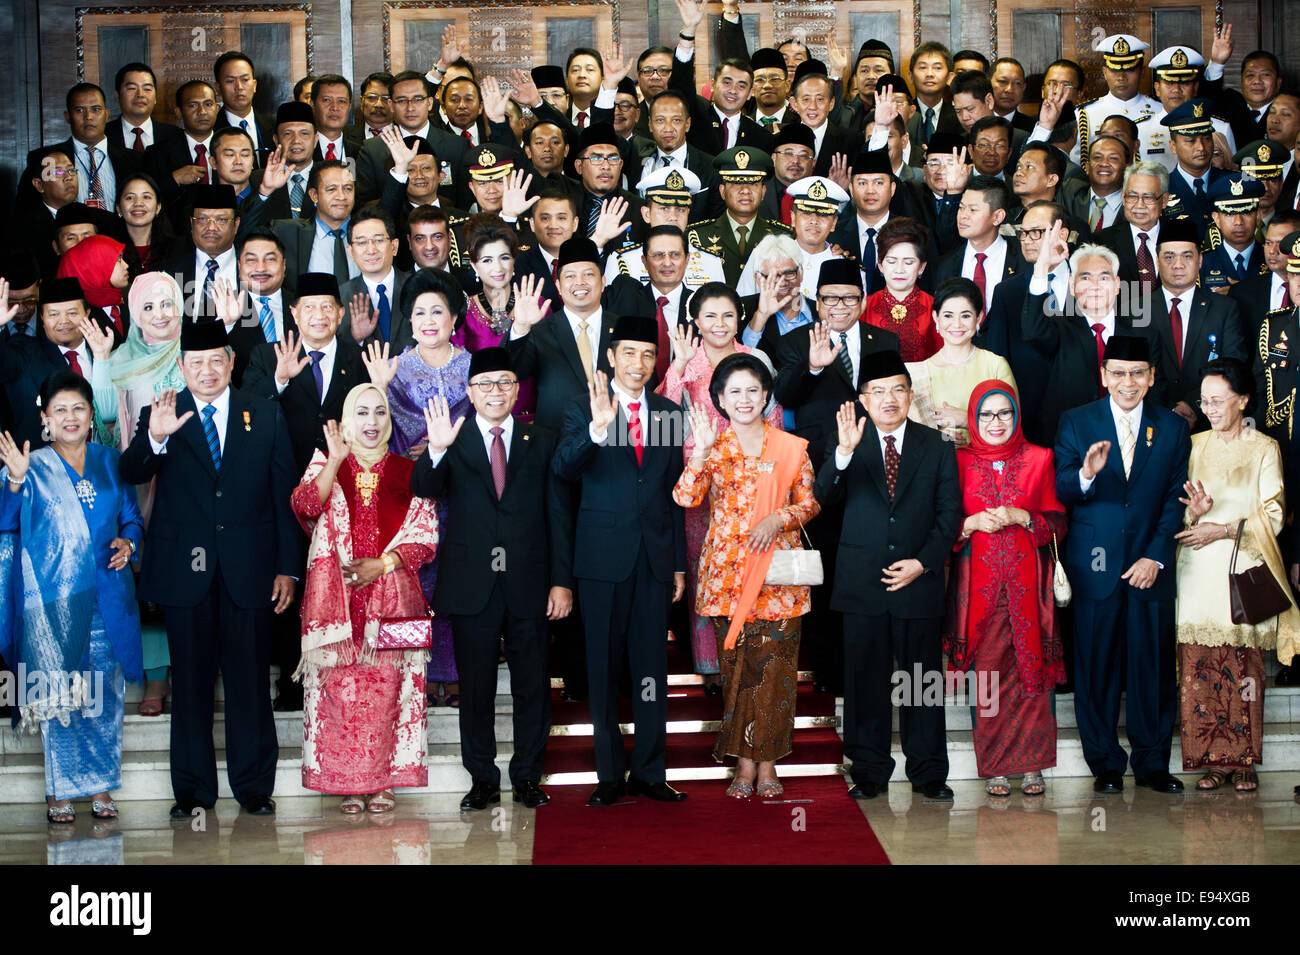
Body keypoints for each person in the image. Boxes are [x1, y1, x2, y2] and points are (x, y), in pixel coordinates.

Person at [119, 320, 300, 818]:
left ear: (231, 364)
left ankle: (254, 787)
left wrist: (288, 568)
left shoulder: (262, 414)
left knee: (249, 684)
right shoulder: (164, 413)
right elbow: (131, 471)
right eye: (195, 363)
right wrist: (154, 439)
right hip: (185, 571)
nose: (206, 370)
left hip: (251, 570)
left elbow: (282, 497)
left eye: (215, 361)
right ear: (181, 368)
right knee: (192, 687)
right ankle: (193, 793)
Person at [412, 347, 575, 811]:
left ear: (517, 389)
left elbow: (558, 516)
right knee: (476, 689)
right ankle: (481, 777)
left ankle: (527, 775)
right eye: (485, 384)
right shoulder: (453, 439)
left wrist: (561, 581)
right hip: (471, 585)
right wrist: (438, 447)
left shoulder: (540, 440)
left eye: (505, 382)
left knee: (532, 687)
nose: (495, 391)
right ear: (469, 392)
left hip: (531, 583)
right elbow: (424, 488)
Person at [552, 314, 688, 807]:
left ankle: (651, 771)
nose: (638, 363)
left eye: (648, 354)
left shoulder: (670, 413)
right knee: (603, 668)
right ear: (610, 358)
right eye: (628, 353)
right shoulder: (582, 408)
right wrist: (596, 428)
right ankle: (609, 774)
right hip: (601, 561)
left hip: (653, 561)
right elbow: (562, 469)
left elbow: (674, 493)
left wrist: (676, 563)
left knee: (651, 669)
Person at [815, 349, 962, 800]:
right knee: (865, 684)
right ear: (863, 399)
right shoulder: (845, 441)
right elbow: (823, 498)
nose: (889, 399)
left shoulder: (936, 445)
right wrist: (841, 453)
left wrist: (923, 562)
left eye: (898, 389)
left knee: (922, 682)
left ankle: (929, 772)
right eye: (877, 391)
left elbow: (949, 513)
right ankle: (870, 771)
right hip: (862, 583)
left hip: (919, 581)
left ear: (910, 393)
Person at [672, 352, 819, 797]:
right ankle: (742, 764)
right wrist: (696, 455)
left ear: (766, 395)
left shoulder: (791, 446)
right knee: (737, 672)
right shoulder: (713, 449)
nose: (744, 398)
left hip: (777, 579)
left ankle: (769, 764)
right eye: (734, 391)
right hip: (728, 580)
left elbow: (810, 503)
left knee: (774, 673)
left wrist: (778, 519)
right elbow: (684, 497)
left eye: (753, 389)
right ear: (719, 398)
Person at [0, 372, 143, 822]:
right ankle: (58, 792)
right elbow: (6, 523)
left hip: (107, 595)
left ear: (89, 415)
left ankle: (101, 787)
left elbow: (131, 517)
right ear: (45, 417)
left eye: (78, 408)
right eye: (59, 410)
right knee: (60, 697)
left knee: (104, 693)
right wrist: (16, 483)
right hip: (54, 605)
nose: (70, 417)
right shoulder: (31, 464)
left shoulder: (109, 460)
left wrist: (129, 543)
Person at [289, 383, 437, 812]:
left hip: (394, 601)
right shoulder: (327, 463)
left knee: (392, 691)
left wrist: (384, 564)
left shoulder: (408, 470)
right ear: (347, 420)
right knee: (341, 691)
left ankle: (384, 781)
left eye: (378, 413)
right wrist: (335, 462)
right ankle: (347, 782)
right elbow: (303, 507)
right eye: (362, 413)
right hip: (336, 603)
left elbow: (426, 538)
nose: (371, 422)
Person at [1054, 335, 1191, 795]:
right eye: (1117, 372)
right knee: (1096, 666)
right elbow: (1064, 492)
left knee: (1151, 664)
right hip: (1095, 565)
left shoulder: (1171, 427)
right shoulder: (1076, 422)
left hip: (1150, 563)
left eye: (1137, 373)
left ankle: (1153, 762)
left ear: (1151, 378)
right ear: (1103, 375)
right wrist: (1088, 473)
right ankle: (1105, 763)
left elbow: (1176, 497)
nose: (1127, 382)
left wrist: (1155, 555)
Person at [1173, 359, 1297, 791]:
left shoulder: (1264, 448)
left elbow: (1275, 514)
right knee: (1200, 667)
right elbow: (1179, 507)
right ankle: (1212, 760)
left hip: (1241, 570)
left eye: (1218, 401)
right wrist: (1195, 512)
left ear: (1243, 400)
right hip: (1195, 572)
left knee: (1242, 668)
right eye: (1204, 400)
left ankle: (1243, 761)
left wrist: (1222, 528)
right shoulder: (1193, 445)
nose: (1209, 408)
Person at [658, 284, 784, 690]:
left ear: (739, 319)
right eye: (709, 316)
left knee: (748, 567)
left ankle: (747, 652)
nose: (719, 324)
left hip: (748, 481)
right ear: (695, 320)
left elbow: (773, 416)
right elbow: (661, 417)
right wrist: (676, 367)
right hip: (700, 478)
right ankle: (710, 663)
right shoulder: (687, 362)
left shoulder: (751, 360)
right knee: (703, 571)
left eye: (727, 315)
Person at [944, 381, 1067, 796]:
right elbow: (943, 522)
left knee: (1033, 674)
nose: (996, 422)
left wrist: (1024, 516)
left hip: (1029, 588)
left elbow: (1058, 521)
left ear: (1016, 416)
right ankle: (995, 767)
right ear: (974, 419)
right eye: (986, 415)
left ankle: (1033, 767)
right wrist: (971, 524)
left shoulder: (1039, 458)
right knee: (989, 676)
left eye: (1004, 414)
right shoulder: (958, 461)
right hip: (978, 590)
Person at [364, 267, 467, 705]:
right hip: (408, 496)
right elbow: (373, 432)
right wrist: (379, 390)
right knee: (413, 585)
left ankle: (454, 671)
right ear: (409, 320)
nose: (428, 320)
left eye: (437, 311)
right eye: (419, 312)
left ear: (454, 318)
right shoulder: (393, 370)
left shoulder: (473, 367)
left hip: (463, 493)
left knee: (455, 585)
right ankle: (416, 676)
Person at [86, 272, 184, 716]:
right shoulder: (123, 357)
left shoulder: (199, 351)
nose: (160, 314)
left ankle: (188, 671)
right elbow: (106, 416)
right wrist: (104, 358)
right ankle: (155, 679)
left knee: (189, 577)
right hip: (140, 481)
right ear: (135, 314)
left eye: (167, 304)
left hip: (191, 481)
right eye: (148, 307)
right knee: (147, 581)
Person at [906, 277, 1016, 446]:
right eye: (948, 315)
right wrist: (942, 439)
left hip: (986, 466)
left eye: (966, 315)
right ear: (935, 317)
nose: (956, 324)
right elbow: (909, 436)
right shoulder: (917, 373)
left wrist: (966, 420)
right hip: (938, 468)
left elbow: (1012, 427)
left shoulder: (995, 366)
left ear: (979, 318)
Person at [454, 216, 537, 420]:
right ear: (474, 266)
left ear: (514, 260)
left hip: (533, 420)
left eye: (504, 258)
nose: (498, 268)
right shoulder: (463, 312)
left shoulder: (537, 305)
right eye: (487, 260)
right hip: (480, 420)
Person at [860, 217, 938, 361]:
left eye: (908, 262)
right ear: (881, 265)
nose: (899, 270)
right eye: (891, 261)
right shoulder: (864, 306)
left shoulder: (935, 308)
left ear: (922, 267)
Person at [57, 233, 130, 340]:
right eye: (118, 260)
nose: (126, 265)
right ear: (95, 267)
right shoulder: (79, 318)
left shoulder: (128, 297)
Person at [117, 173, 175, 278]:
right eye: (130, 198)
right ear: (118, 208)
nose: (138, 203)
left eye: (146, 197)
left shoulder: (176, 249)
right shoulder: (109, 252)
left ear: (158, 207)